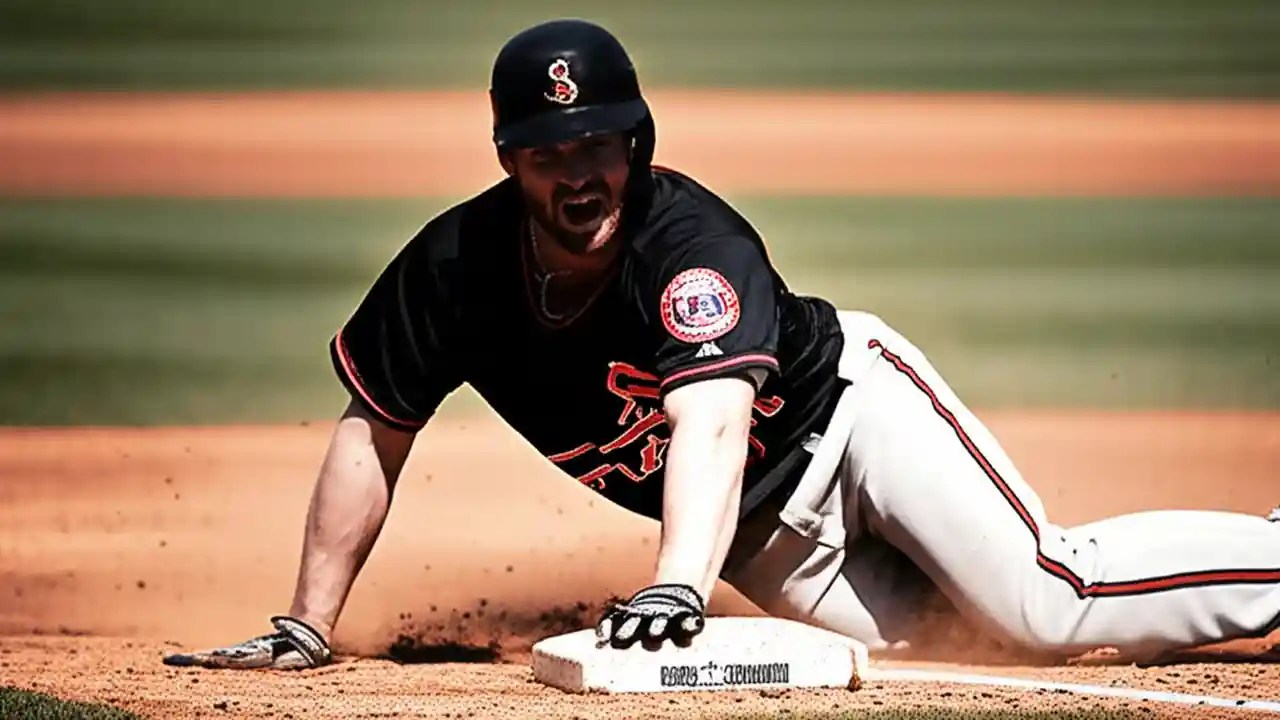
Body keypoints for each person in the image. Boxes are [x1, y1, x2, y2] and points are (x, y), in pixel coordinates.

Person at [163, 18, 1280, 671]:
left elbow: (708, 422)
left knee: (1040, 599)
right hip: (758, 532)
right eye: (549, 153)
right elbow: (376, 429)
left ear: (636, 142)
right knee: (969, 654)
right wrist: (307, 625)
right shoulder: (452, 269)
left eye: (600, 144)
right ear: (509, 161)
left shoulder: (687, 243)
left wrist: (674, 586)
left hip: (848, 423)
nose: (579, 174)